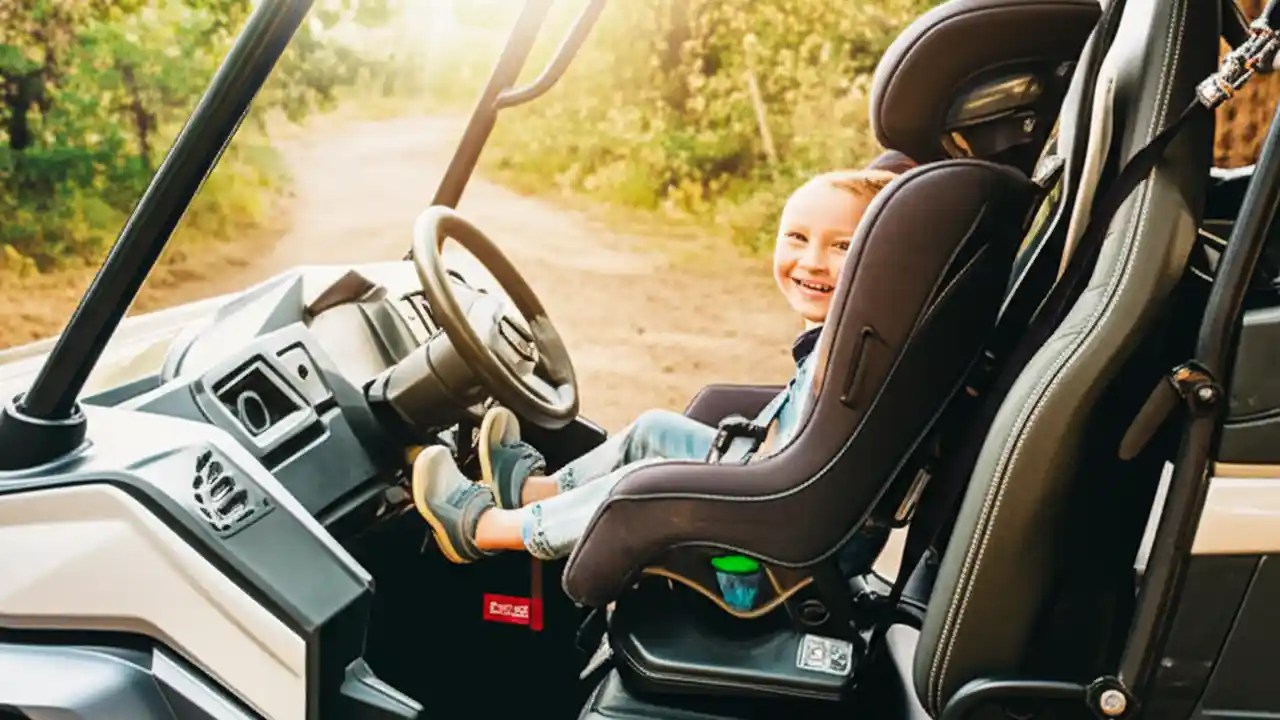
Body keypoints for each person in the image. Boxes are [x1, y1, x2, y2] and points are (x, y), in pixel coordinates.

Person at [410, 163, 902, 566]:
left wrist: (738, 470)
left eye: (843, 246)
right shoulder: (845, 339)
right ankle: (532, 491)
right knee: (653, 431)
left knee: (645, 481)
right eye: (796, 237)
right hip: (774, 481)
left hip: (785, 524)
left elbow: (807, 460)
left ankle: (483, 529)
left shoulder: (856, 353)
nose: (812, 261)